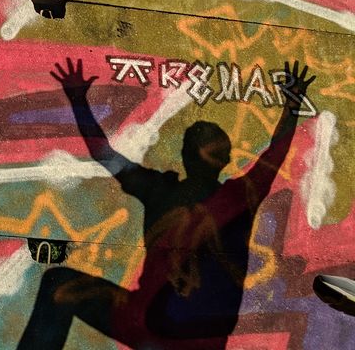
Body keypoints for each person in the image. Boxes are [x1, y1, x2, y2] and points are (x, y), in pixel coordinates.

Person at [18, 58, 315, 349]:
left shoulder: (159, 189)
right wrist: (292, 105)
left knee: (59, 283)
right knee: (61, 284)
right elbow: (274, 155)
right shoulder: (239, 196)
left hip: (148, 323)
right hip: (200, 339)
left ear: (185, 156)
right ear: (224, 159)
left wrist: (78, 101)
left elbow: (104, 155)